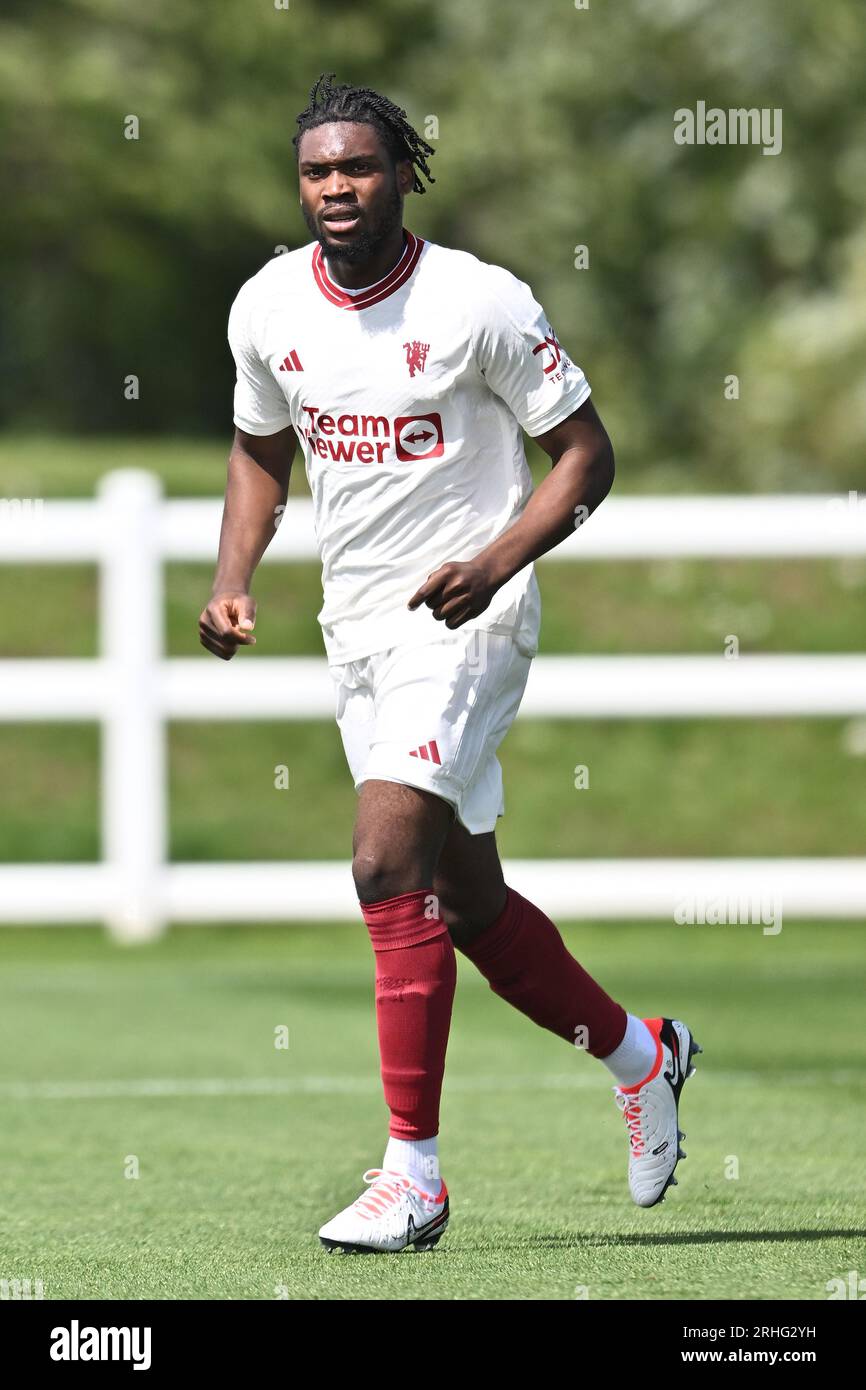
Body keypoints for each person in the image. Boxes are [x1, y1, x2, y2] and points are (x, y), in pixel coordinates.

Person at [199, 73, 701, 1254]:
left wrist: (493, 561)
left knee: (384, 863)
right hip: (356, 629)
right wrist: (232, 577)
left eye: (357, 167)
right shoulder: (268, 305)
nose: (335, 186)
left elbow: (585, 455)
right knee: (463, 901)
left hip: (470, 617)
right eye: (317, 170)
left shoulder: (479, 301)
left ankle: (411, 1177)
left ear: (400, 175)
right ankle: (643, 1053)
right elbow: (259, 450)